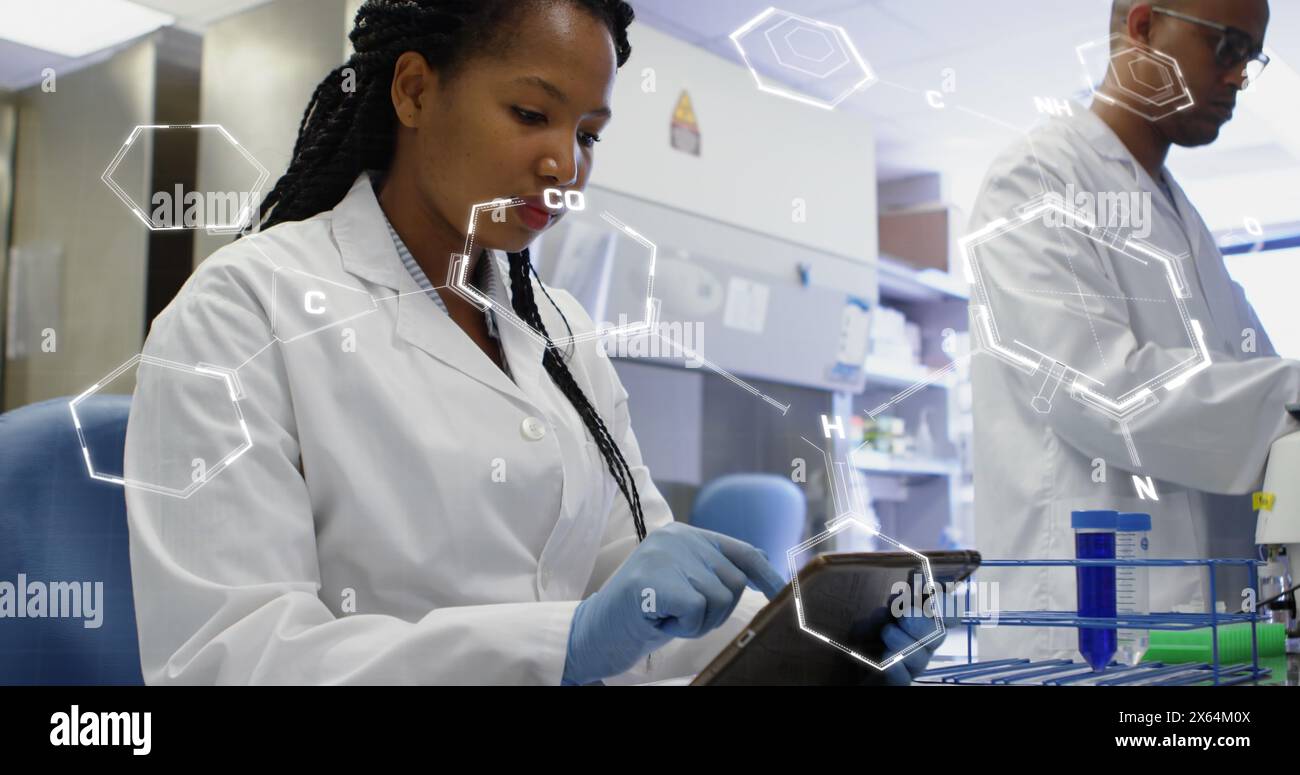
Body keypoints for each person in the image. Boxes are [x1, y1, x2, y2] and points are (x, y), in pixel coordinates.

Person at [124, 0, 941, 685]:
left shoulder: (561, 334)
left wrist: (808, 650)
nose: (565, 163)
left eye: (588, 133)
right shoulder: (239, 314)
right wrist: (565, 643)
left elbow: (649, 605)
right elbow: (228, 660)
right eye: (530, 114)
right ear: (413, 91)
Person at [970, 0, 1300, 661]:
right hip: (1076, 641)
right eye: (1227, 47)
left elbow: (1268, 412)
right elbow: (1102, 390)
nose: (1238, 77)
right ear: (1144, 26)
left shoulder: (1187, 225)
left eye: (1251, 58)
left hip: (1204, 638)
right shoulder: (1035, 180)